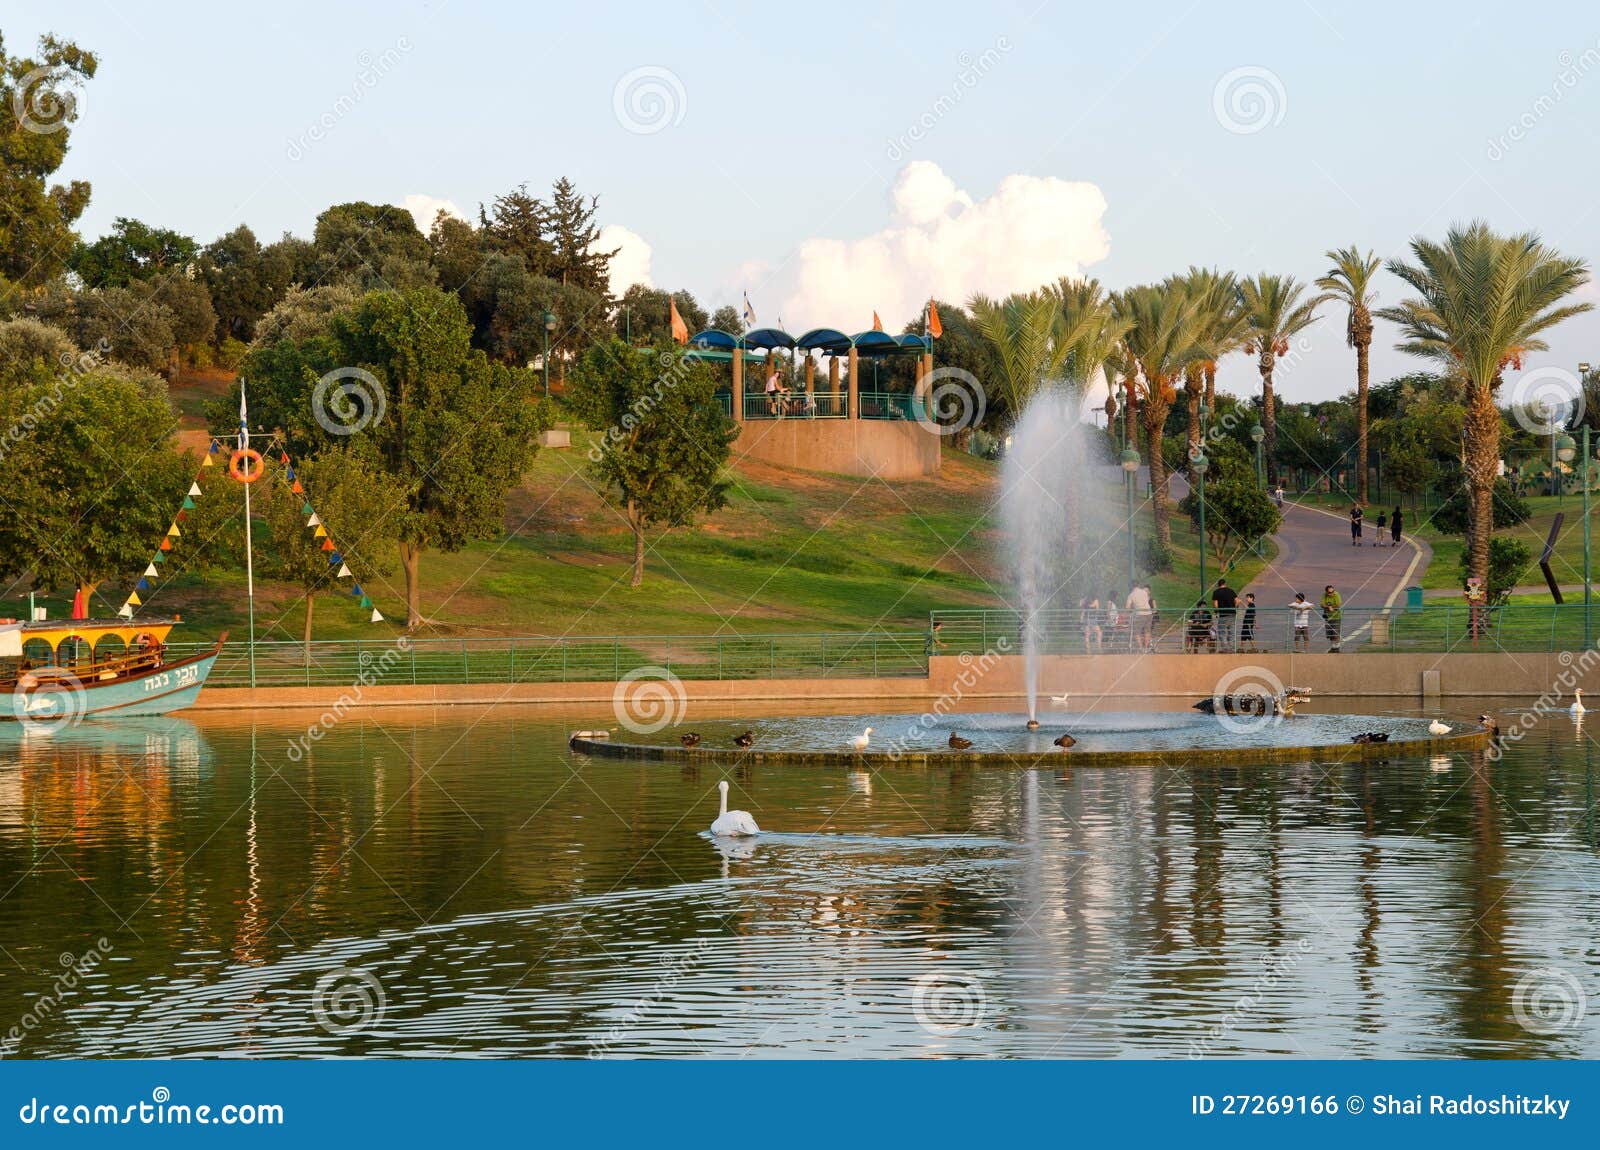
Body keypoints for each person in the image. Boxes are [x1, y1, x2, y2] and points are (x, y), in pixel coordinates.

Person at [1211, 577, 1238, 651]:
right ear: (1225, 584)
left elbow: (1215, 605)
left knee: (1222, 632)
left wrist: (1216, 612)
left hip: (1223, 615)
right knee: (1231, 632)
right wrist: (1234, 607)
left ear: (1218, 585)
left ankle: (1225, 649)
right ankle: (1232, 648)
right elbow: (1237, 601)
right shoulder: (1231, 591)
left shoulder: (1216, 592)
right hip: (1232, 614)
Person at [1125, 583, 1153, 652]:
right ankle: (1146, 648)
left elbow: (1127, 607)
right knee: (1147, 631)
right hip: (1149, 613)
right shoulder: (1144, 592)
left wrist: (1132, 609)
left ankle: (1141, 648)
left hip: (1140, 614)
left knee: (1137, 632)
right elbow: (1146, 600)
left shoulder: (1131, 595)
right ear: (1138, 585)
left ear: (1131, 587)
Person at [1320, 584, 1343, 652]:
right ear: (1326, 592)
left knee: (1336, 633)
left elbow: (1338, 605)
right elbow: (1322, 604)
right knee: (1330, 634)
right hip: (1327, 617)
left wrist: (1332, 607)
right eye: (1330, 592)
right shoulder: (1324, 595)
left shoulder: (1336, 595)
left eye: (1332, 592)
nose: (1331, 593)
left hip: (1336, 617)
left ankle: (1337, 647)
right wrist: (1328, 607)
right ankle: (1333, 647)